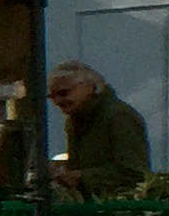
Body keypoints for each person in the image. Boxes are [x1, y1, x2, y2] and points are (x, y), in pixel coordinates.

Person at [52, 62, 152, 197]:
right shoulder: (75, 120)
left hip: (119, 208)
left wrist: (81, 177)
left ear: (89, 87)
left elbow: (135, 174)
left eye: (64, 93)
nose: (57, 101)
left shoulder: (119, 116)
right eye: (52, 96)